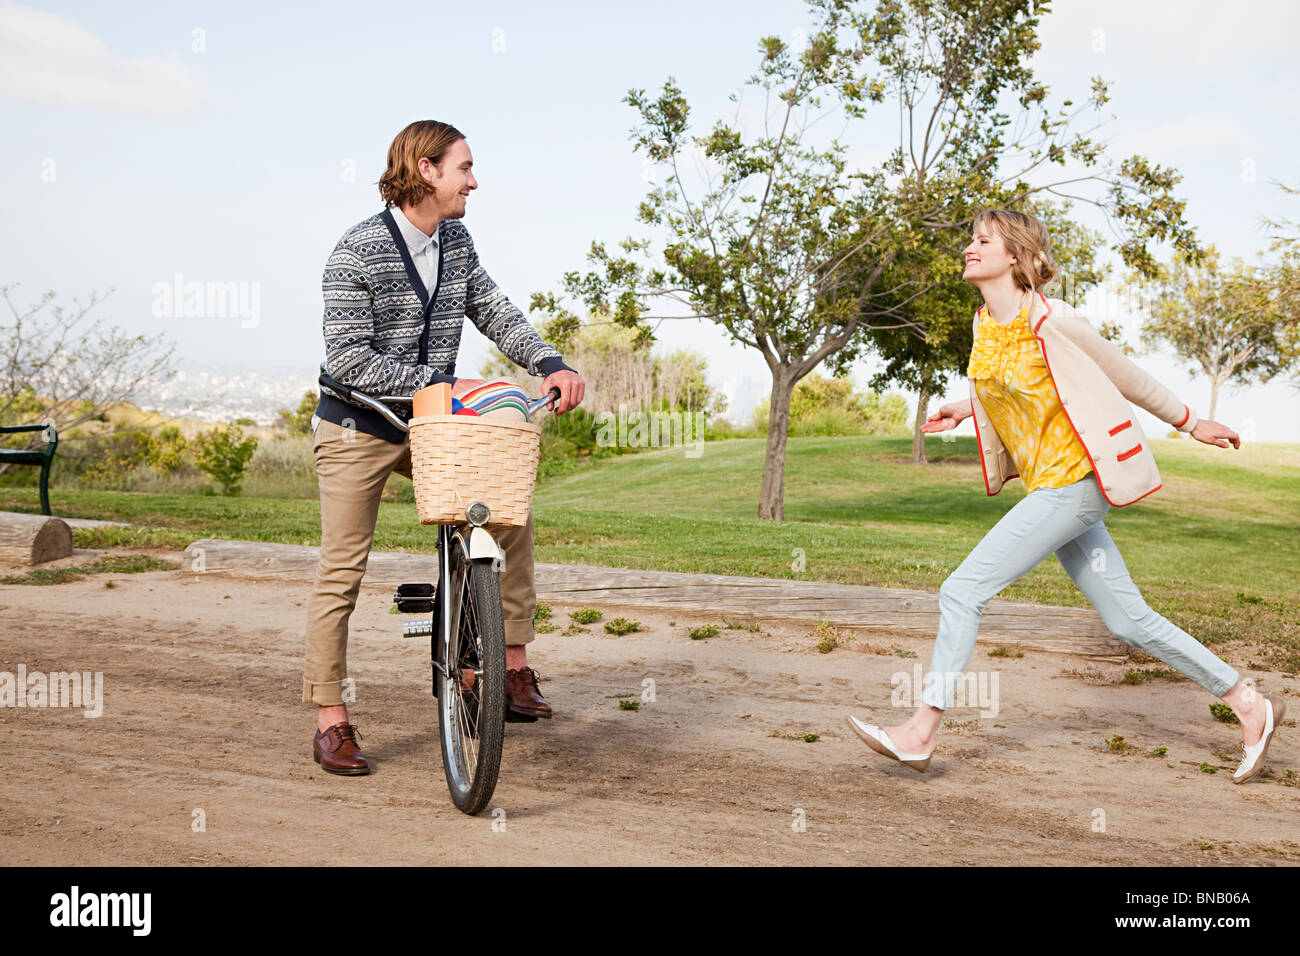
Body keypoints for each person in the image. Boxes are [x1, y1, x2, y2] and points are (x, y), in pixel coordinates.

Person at [845, 209, 1284, 784]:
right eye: (970, 241)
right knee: (1129, 620)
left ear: (1015, 257)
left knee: (962, 590)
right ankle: (1249, 703)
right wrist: (968, 407)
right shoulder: (986, 325)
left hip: (1075, 487)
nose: (969, 250)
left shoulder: (1057, 324)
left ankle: (920, 731)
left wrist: (1190, 421)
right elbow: (1027, 389)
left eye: (982, 242)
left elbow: (1127, 377)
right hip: (1052, 488)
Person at [304, 120, 586, 775]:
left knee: (506, 513)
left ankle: (510, 667)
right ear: (427, 170)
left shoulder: (455, 240)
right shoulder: (357, 253)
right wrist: (440, 381)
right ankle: (330, 719)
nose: (474, 181)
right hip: (359, 425)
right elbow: (348, 361)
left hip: (436, 426)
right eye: (465, 167)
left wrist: (550, 361)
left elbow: (493, 308)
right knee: (342, 569)